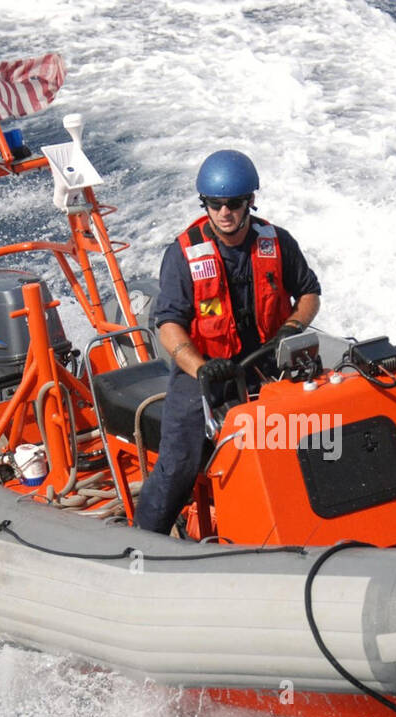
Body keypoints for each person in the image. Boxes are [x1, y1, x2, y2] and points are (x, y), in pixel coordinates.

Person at [133, 149, 321, 534]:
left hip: (268, 366)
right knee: (178, 467)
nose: (225, 213)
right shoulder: (183, 254)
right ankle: (144, 545)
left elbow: (309, 293)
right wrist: (202, 367)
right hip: (204, 373)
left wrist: (292, 326)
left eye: (234, 204)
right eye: (215, 204)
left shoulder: (277, 242)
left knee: (314, 440)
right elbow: (168, 324)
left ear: (250, 201)